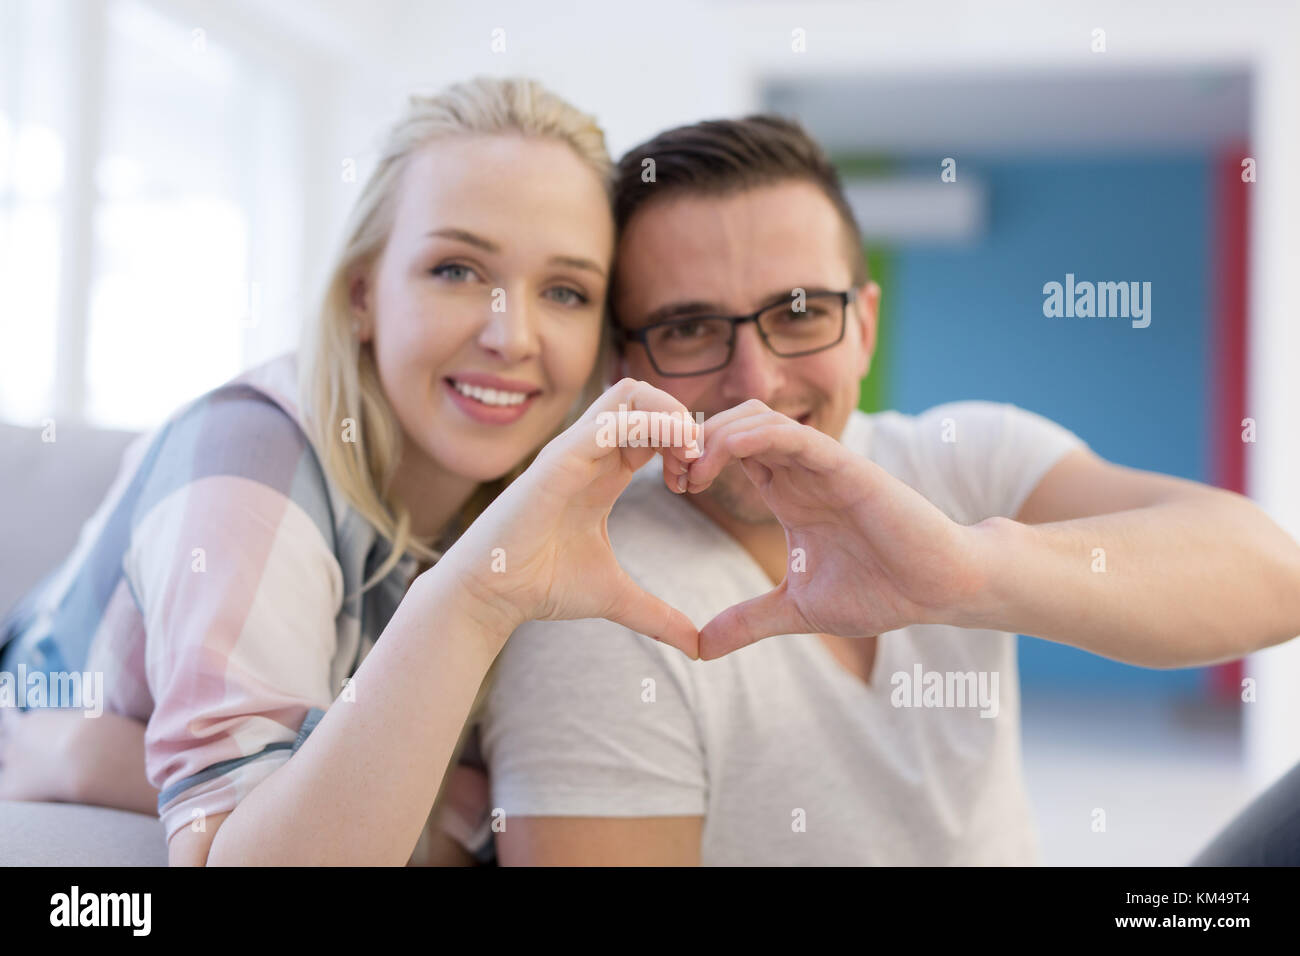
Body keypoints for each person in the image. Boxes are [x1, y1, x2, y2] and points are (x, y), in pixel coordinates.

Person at [475, 115, 1300, 865]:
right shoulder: (597, 611)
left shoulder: (963, 458)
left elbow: (1273, 576)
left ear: (865, 325)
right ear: (623, 365)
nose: (754, 381)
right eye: (689, 328)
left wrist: (971, 573)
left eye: (799, 313)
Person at [0, 76, 703, 866]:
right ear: (363, 293)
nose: (513, 337)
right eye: (457, 270)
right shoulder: (248, 466)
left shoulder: (532, 500)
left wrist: (96, 759)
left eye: (566, 291)